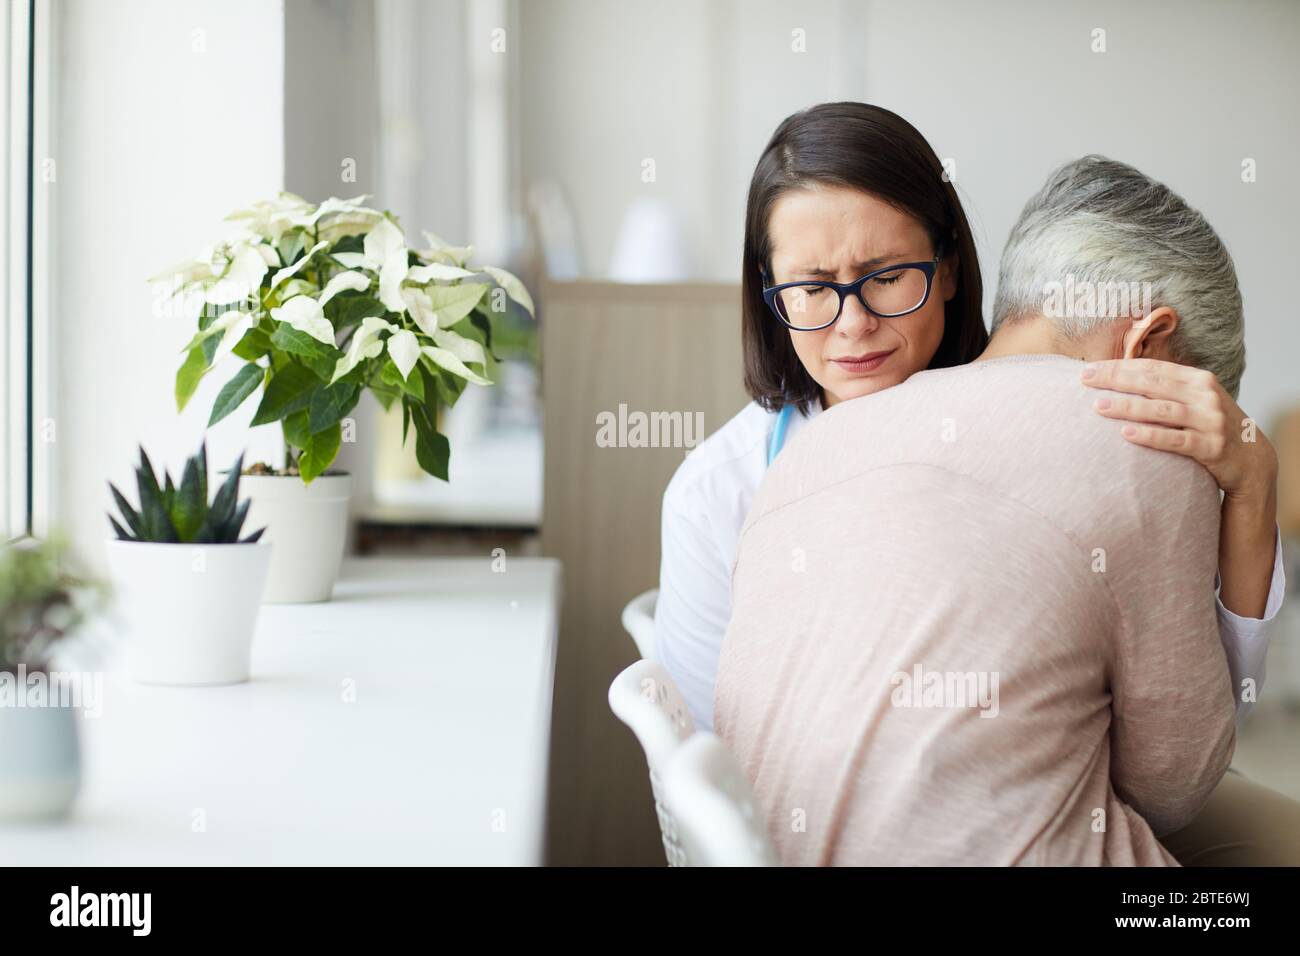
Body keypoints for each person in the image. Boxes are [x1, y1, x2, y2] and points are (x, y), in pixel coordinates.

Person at [654, 102, 1291, 863]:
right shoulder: (1133, 446)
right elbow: (1175, 777)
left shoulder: (808, 460)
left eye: (889, 277)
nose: (853, 324)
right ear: (1147, 344)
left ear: (951, 268)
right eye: (813, 287)